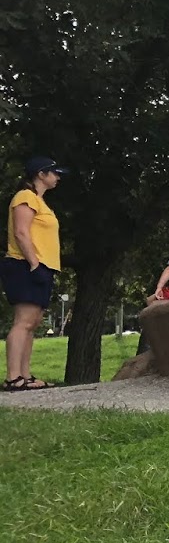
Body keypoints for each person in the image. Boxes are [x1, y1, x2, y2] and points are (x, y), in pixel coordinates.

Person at [4, 155, 67, 390]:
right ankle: (13, 377)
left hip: (42, 267)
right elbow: (21, 232)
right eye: (54, 173)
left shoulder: (41, 202)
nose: (58, 177)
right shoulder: (25, 197)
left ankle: (25, 375)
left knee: (33, 322)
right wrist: (33, 264)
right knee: (23, 321)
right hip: (25, 265)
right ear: (41, 174)